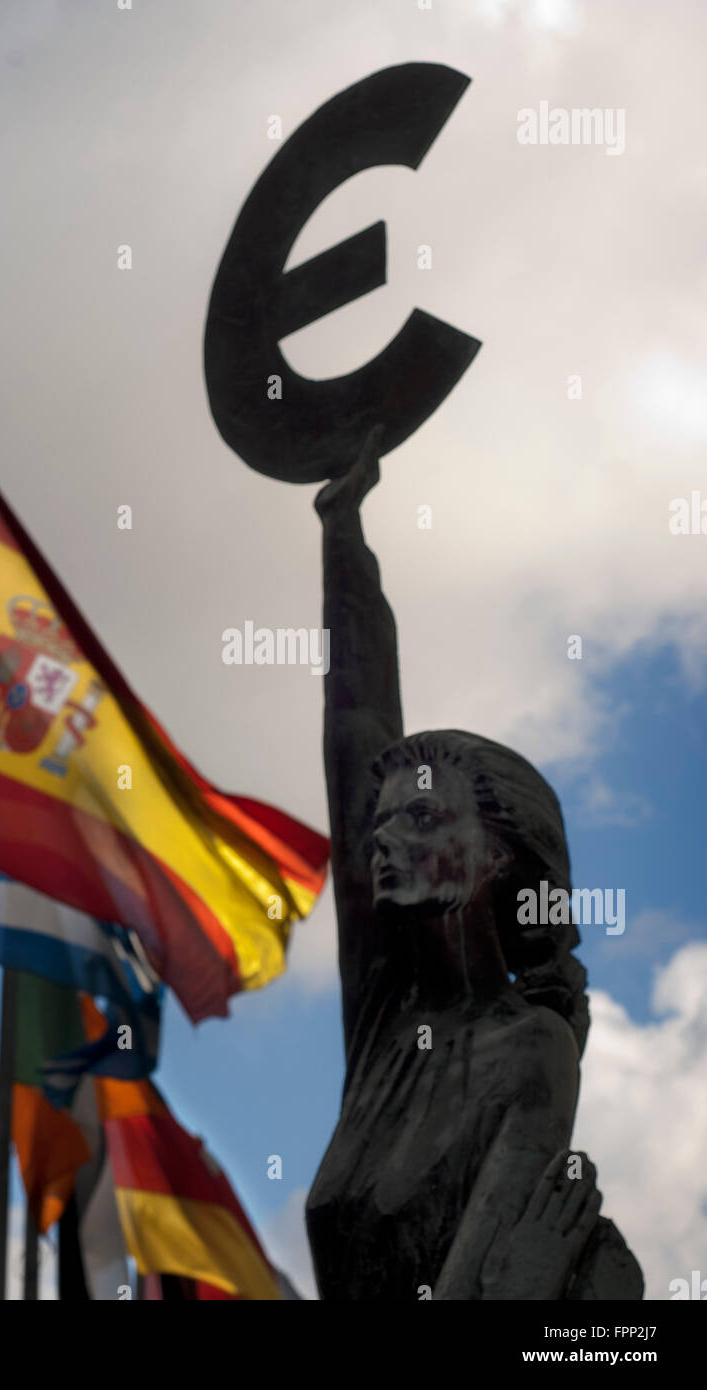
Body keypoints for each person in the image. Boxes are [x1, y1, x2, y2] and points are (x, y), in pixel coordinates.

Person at [305, 427, 642, 1301]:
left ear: (500, 853)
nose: (382, 841)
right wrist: (341, 536)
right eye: (380, 826)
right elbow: (356, 724)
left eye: (420, 818)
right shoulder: (383, 1019)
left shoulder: (531, 1051)